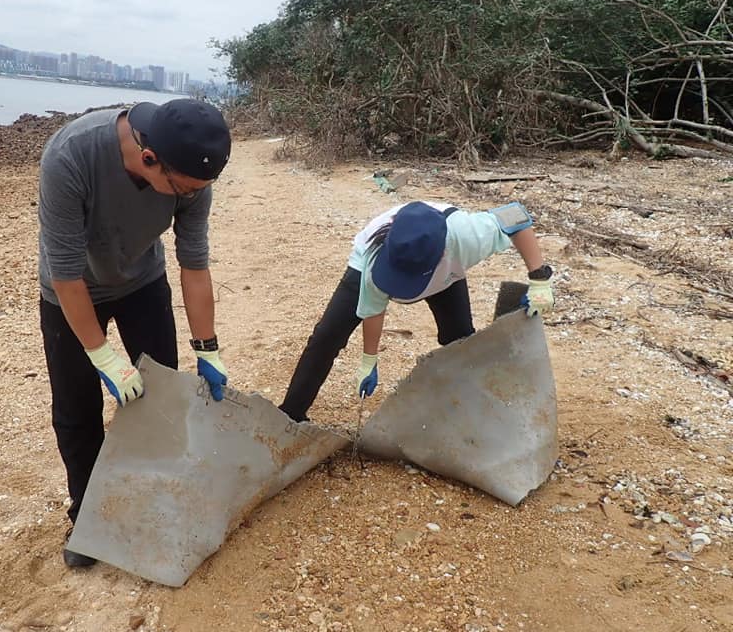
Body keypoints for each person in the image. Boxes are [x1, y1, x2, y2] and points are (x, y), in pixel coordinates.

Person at [37, 99, 232, 567]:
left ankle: (154, 497)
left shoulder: (192, 175)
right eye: (184, 190)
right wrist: (104, 357)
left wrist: (208, 348)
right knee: (76, 409)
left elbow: (194, 264)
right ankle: (89, 517)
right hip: (72, 289)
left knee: (161, 396)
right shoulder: (70, 157)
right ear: (149, 158)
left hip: (142, 281)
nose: (191, 197)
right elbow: (65, 274)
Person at [278, 200, 555, 423]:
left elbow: (516, 216)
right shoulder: (373, 261)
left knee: (459, 340)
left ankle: (467, 413)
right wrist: (369, 361)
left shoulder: (468, 236)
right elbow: (374, 308)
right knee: (327, 336)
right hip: (389, 260)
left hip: (445, 266)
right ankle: (290, 415)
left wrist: (539, 278)